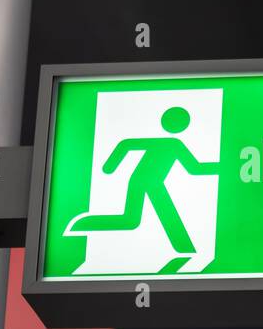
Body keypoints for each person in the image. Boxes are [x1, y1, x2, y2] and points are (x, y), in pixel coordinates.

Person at [65, 105, 218, 254]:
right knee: (132, 220)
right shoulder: (172, 143)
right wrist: (110, 166)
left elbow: (194, 168)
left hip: (153, 183)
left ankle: (184, 248)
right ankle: (84, 225)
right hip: (141, 181)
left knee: (131, 219)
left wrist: (220, 167)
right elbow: (127, 145)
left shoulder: (174, 144)